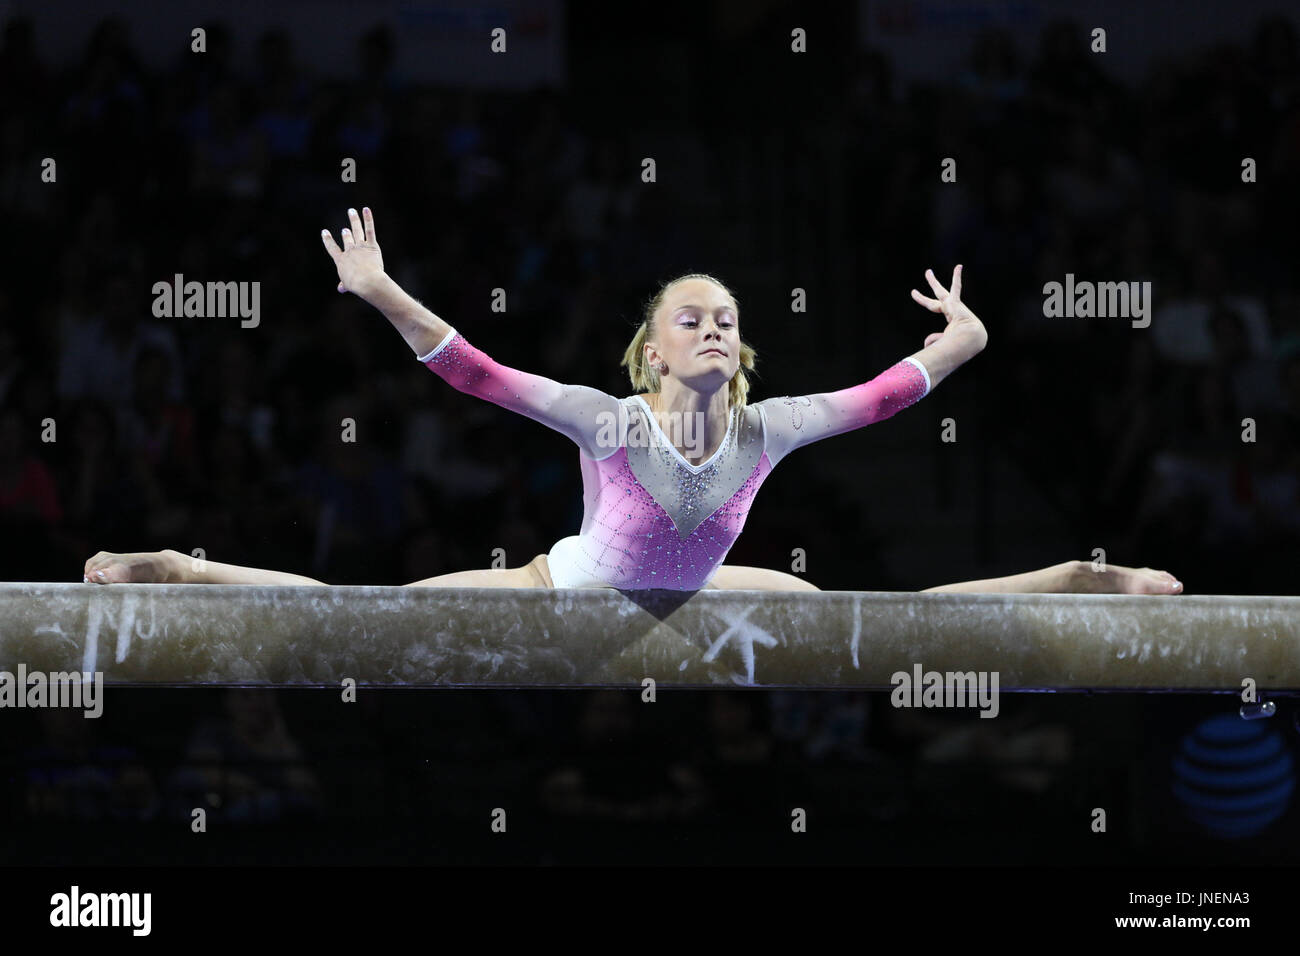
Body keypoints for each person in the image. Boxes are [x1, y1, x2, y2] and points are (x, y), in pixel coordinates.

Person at [85, 207, 1183, 596]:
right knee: (358, 617)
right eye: (690, 315)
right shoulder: (606, 417)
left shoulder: (768, 426)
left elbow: (885, 396)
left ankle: (1084, 572)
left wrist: (967, 338)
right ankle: (179, 566)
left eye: (726, 316)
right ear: (649, 352)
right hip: (569, 591)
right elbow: (473, 371)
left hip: (698, 605)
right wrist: (377, 291)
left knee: (895, 629)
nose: (713, 324)